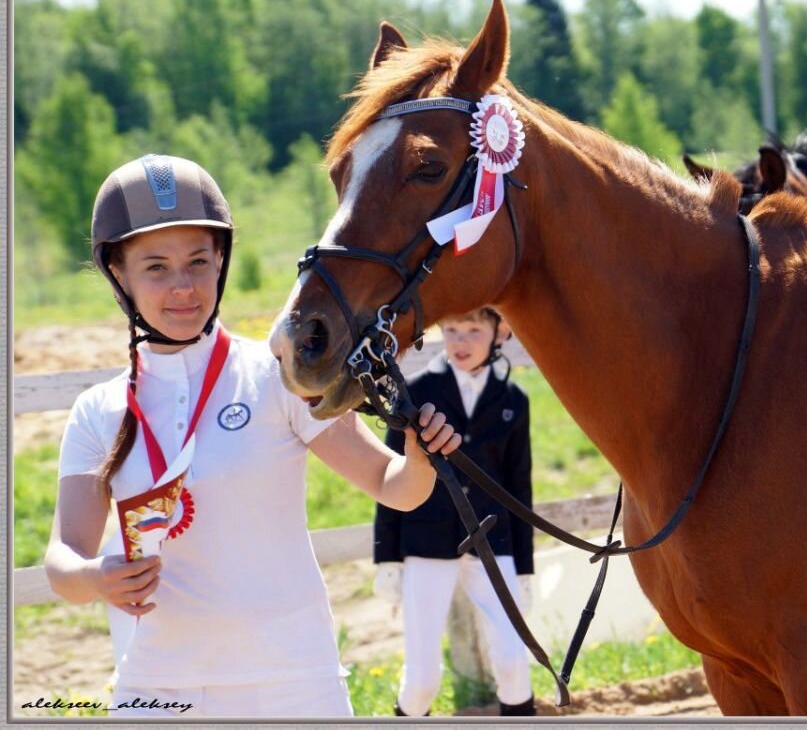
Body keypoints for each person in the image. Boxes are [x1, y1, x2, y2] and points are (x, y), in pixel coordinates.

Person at [43, 154, 462, 719]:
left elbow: (397, 488)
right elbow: (62, 562)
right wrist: (95, 577)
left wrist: (420, 456)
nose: (184, 287)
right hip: (158, 689)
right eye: (157, 268)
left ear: (222, 259)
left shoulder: (278, 374)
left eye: (198, 260)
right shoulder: (99, 411)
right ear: (119, 274)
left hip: (295, 682)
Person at [374, 307, 535, 717]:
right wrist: (387, 557)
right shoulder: (415, 391)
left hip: (493, 541)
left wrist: (526, 565)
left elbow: (520, 486)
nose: (460, 341)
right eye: (452, 330)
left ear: (501, 333)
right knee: (423, 678)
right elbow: (391, 474)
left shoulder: (514, 401)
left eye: (473, 330)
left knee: (515, 661)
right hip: (426, 540)